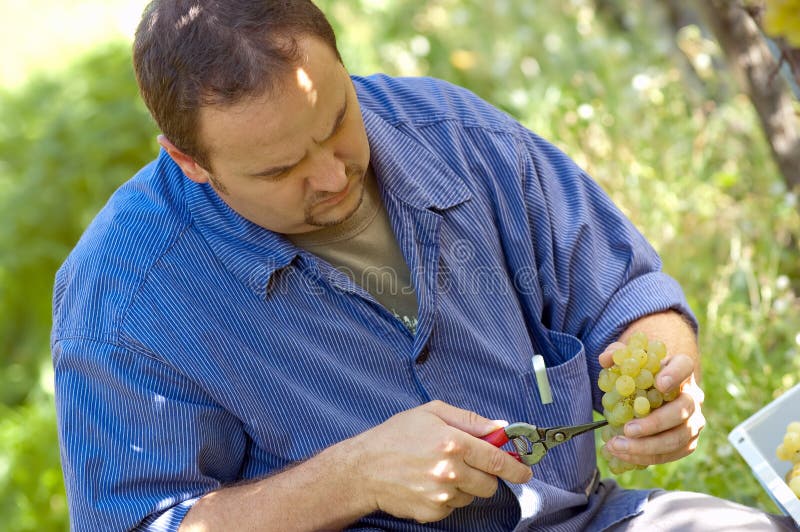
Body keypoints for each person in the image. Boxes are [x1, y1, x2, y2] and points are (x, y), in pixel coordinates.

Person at [50, 1, 796, 531]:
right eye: (281, 170)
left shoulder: (451, 131)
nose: (335, 176)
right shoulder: (121, 305)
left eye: (337, 121)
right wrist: (353, 477)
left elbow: (624, 290)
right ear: (189, 161)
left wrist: (664, 364)